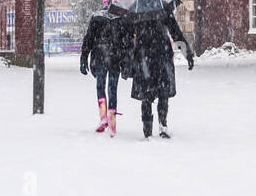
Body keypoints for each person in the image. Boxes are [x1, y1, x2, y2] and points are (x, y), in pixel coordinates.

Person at [130, 9, 194, 139]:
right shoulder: (163, 10)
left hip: (146, 57)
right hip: (160, 56)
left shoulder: (137, 11)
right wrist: (188, 54)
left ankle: (148, 129)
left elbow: (128, 37)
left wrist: (128, 58)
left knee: (147, 94)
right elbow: (176, 34)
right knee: (162, 94)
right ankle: (161, 126)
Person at [79, 8, 132, 136]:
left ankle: (104, 119)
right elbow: (127, 43)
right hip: (115, 59)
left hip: (101, 58)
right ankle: (111, 121)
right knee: (112, 89)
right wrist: (126, 61)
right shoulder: (122, 19)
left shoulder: (97, 17)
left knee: (101, 87)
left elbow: (88, 40)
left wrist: (84, 58)